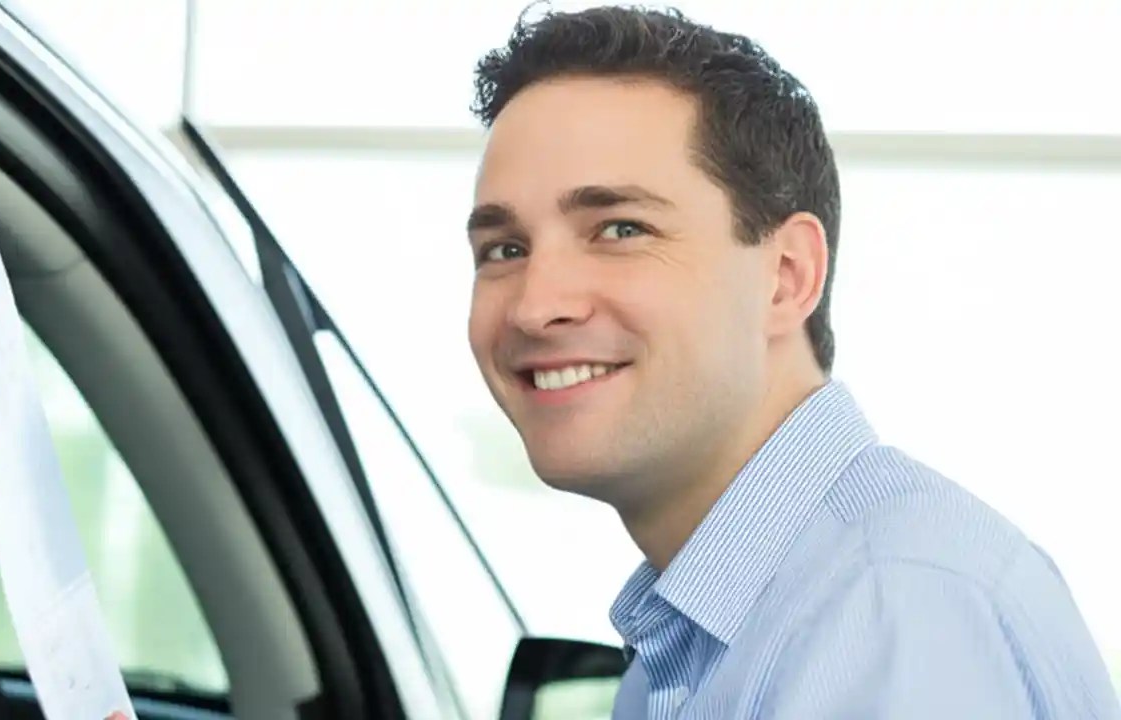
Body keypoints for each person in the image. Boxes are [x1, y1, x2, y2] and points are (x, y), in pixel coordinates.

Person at [464, 5, 1121, 718]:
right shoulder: (702, 643)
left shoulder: (891, 616)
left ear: (786, 275)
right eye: (505, 249)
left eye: (620, 229)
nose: (535, 306)